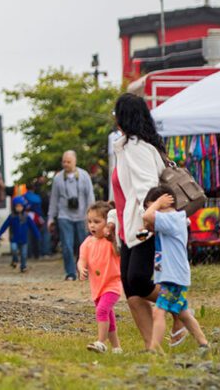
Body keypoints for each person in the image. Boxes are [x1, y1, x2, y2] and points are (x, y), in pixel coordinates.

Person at [109, 93, 167, 346]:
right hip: (126, 227)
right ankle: (152, 348)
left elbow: (147, 188)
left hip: (142, 226)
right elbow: (121, 191)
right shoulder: (123, 148)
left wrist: (148, 219)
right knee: (132, 293)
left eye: (116, 113)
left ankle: (180, 307)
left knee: (140, 281)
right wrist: (113, 218)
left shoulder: (137, 148)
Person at [142, 185, 209, 351]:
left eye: (152, 205)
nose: (151, 211)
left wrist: (156, 204)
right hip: (173, 275)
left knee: (158, 312)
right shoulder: (172, 220)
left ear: (165, 202)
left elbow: (147, 215)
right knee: (183, 313)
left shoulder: (172, 218)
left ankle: (154, 348)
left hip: (174, 276)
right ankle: (204, 344)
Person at [78, 201, 122, 354]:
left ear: (108, 223)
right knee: (108, 317)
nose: (92, 225)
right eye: (90, 222)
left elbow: (118, 252)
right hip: (97, 288)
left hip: (112, 285)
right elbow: (81, 259)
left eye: (97, 222)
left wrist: (113, 237)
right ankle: (116, 347)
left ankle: (101, 342)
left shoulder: (111, 241)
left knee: (102, 311)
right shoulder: (87, 243)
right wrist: (81, 268)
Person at [49, 150, 95, 281]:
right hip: (64, 215)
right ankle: (70, 272)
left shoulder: (84, 175)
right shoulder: (58, 178)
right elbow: (54, 199)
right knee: (67, 245)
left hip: (82, 216)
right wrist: (51, 218)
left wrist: (90, 216)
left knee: (83, 245)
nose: (66, 164)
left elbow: (90, 196)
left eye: (68, 161)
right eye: (64, 161)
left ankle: (83, 271)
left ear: (75, 161)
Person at [0, 199, 41, 273]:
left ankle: (23, 266)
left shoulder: (26, 217)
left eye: (20, 206)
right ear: (14, 207)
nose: (19, 208)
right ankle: (15, 260)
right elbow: (5, 226)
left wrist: (37, 235)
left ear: (23, 207)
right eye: (17, 206)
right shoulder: (12, 217)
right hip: (14, 238)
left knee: (24, 254)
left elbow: (33, 227)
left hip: (24, 239)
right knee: (14, 250)